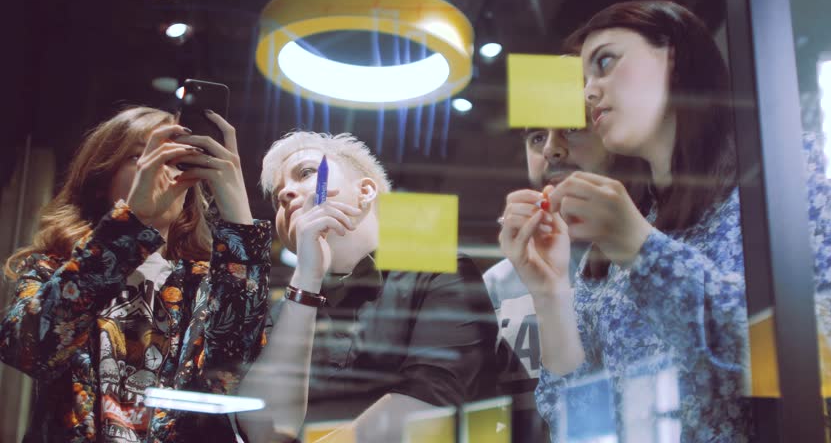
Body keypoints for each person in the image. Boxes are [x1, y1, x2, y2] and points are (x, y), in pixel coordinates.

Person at [498, 0, 831, 441]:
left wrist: (646, 252)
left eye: (605, 63)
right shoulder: (617, 246)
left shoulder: (795, 170)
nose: (588, 93)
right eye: (586, 79)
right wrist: (549, 293)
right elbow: (580, 420)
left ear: (675, 57)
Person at [0, 106, 272, 442]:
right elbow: (25, 351)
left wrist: (238, 215)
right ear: (101, 180)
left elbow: (228, 378)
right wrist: (131, 221)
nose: (158, 167)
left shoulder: (209, 284)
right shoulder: (55, 268)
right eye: (138, 157)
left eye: (176, 159)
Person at [237, 132, 498, 443]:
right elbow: (264, 433)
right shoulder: (285, 310)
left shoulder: (438, 274)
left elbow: (431, 401)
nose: (285, 195)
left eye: (305, 173)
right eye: (277, 196)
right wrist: (306, 278)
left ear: (365, 192)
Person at [484, 127, 611, 443]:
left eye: (573, 129)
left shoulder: (641, 257)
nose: (552, 150)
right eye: (537, 137)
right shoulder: (497, 283)